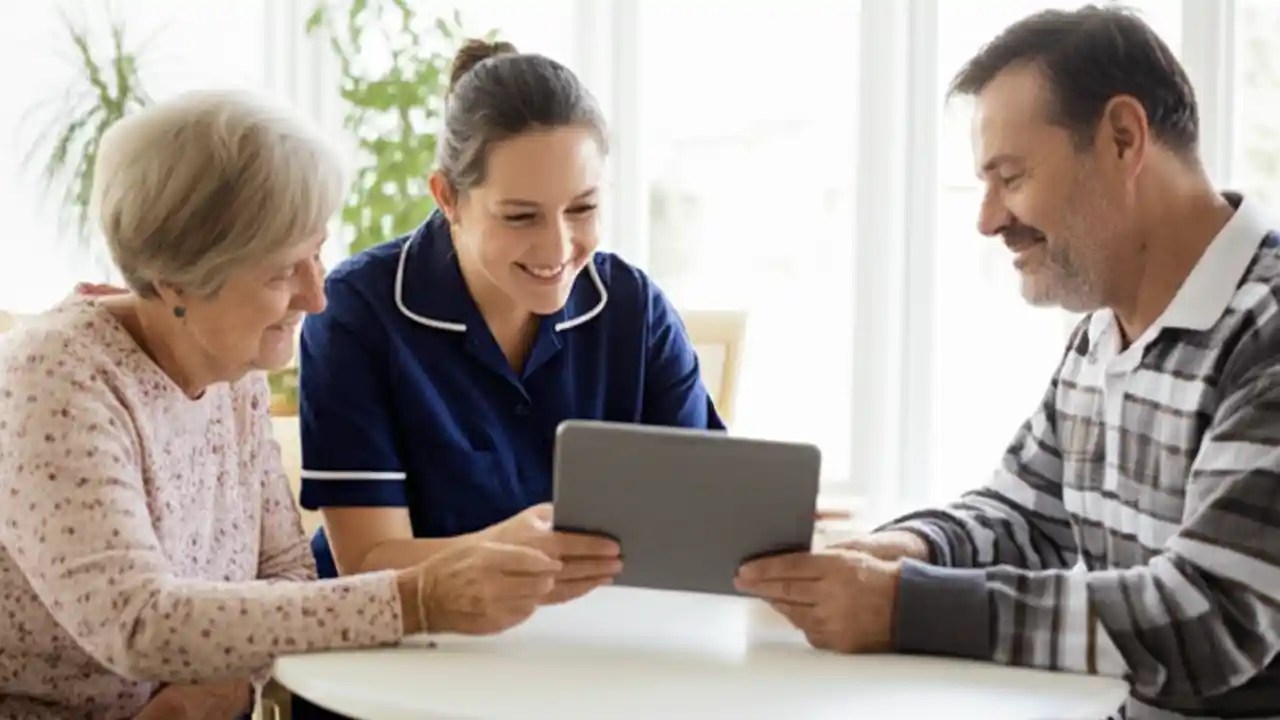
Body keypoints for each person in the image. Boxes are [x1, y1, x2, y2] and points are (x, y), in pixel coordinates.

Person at [735, 6, 1280, 718]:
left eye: (1011, 177)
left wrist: (905, 607)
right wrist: (892, 554)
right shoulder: (1102, 334)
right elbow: (1023, 516)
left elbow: (1211, 618)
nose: (988, 219)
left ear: (1122, 137)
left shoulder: (1265, 332)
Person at [0, 90, 564, 719]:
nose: (317, 296)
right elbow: (139, 623)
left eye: (316, 253)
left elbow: (286, 571)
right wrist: (417, 600)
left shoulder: (230, 368)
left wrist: (229, 687)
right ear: (175, 282)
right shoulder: (51, 377)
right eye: (280, 273)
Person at [298, 39, 724, 597]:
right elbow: (369, 562)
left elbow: (700, 516)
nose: (558, 247)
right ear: (447, 197)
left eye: (583, 208)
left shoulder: (635, 311)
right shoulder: (357, 312)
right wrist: (527, 551)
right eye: (521, 216)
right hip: (401, 653)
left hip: (581, 645)